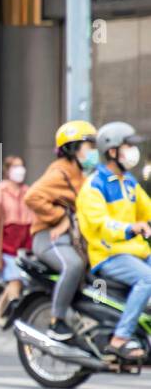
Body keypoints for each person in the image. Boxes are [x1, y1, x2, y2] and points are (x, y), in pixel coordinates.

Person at [75, 121, 151, 361]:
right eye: (128, 146)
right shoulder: (94, 186)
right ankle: (121, 337)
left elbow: (147, 210)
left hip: (134, 251)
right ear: (112, 151)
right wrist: (131, 228)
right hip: (108, 254)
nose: (132, 151)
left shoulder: (128, 182)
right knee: (147, 279)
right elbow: (100, 224)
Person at [24, 120, 98, 341]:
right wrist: (61, 216)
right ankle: (57, 322)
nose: (93, 152)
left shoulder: (82, 176)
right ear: (72, 148)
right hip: (49, 239)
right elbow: (32, 197)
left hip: (71, 239)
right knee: (73, 265)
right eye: (89, 146)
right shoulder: (59, 173)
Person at [0, 155, 33, 327]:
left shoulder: (28, 191)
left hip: (25, 242)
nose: (20, 170)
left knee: (17, 280)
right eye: (16, 167)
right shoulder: (0, 193)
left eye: (22, 166)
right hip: (8, 242)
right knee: (15, 280)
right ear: (7, 170)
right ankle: (16, 317)